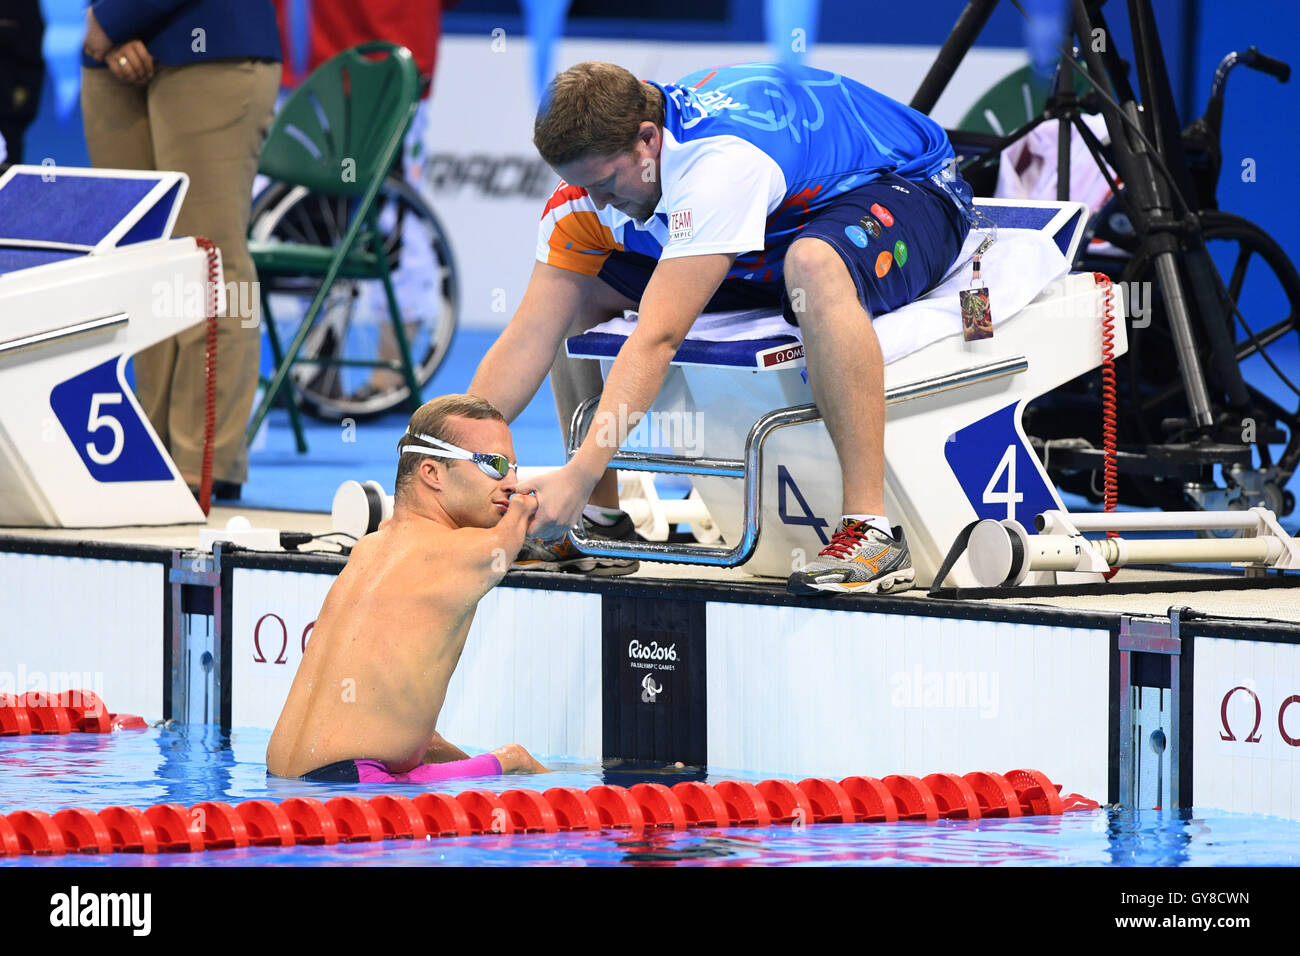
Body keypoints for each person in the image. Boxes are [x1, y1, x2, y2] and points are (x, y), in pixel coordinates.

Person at [468, 61, 973, 593]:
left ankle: (871, 532)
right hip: (772, 227)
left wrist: (578, 471)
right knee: (578, 288)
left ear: (648, 139)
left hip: (906, 189)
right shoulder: (591, 193)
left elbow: (658, 337)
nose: (595, 201)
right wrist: (444, 454)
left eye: (604, 182)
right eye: (578, 184)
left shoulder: (721, 165)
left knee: (815, 266)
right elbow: (528, 336)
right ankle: (596, 520)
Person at [266, 394, 547, 782]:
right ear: (432, 473)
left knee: (434, 744)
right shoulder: (454, 551)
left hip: (281, 784)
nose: (512, 483)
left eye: (515, 468)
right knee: (516, 760)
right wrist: (535, 503)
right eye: (495, 465)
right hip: (358, 789)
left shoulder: (369, 549)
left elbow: (408, 739)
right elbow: (513, 534)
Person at [80, 0, 282, 501]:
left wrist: (112, 20)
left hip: (208, 39)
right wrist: (114, 24)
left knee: (209, 262)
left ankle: (204, 459)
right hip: (111, 53)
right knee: (137, 262)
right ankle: (147, 446)